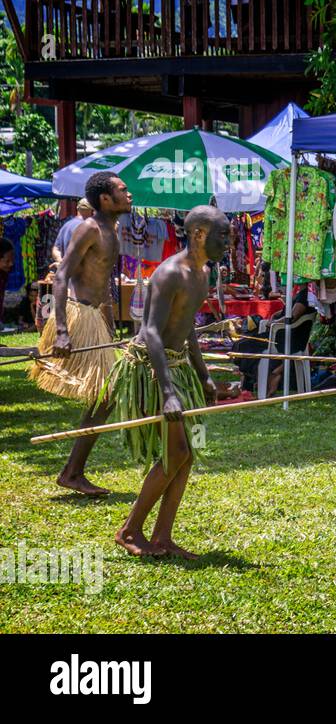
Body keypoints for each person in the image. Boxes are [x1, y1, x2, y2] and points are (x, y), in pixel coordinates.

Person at [105, 206, 227, 558]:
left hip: (178, 364)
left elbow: (187, 326)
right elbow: (152, 332)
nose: (228, 243)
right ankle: (129, 530)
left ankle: (162, 536)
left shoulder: (203, 273)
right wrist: (168, 392)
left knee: (185, 455)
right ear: (199, 234)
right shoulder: (170, 273)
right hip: (151, 368)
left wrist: (203, 375)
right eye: (223, 235)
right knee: (176, 452)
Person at [30, 172, 132, 496]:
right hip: (77, 316)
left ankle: (73, 471)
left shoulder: (111, 230)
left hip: (96, 317)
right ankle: (72, 472)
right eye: (122, 190)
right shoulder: (88, 228)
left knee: (105, 396)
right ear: (105, 198)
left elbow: (103, 282)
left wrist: (111, 323)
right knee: (105, 395)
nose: (129, 195)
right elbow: (61, 277)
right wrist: (61, 331)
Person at [50, 198, 94, 268]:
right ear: (92, 211)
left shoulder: (66, 226)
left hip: (66, 274)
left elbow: (55, 249)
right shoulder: (89, 228)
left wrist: (61, 261)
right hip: (82, 275)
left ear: (77, 209)